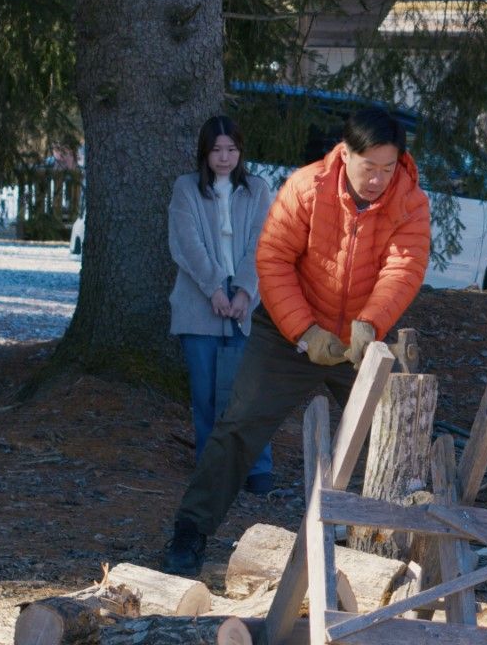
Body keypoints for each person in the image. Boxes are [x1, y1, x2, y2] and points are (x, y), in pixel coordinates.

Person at [159, 107, 432, 576]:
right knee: (238, 427)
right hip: (289, 332)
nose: (378, 180)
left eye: (389, 168)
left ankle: (388, 548)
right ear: (346, 155)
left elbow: (403, 268)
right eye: (370, 168)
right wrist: (304, 331)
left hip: (361, 341)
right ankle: (191, 531)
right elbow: (274, 259)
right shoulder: (306, 187)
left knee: (395, 430)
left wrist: (370, 323)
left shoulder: (410, 201)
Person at [167, 114, 275, 493]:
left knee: (249, 391)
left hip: (247, 298)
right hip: (200, 300)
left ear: (240, 151)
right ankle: (211, 470)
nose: (224, 157)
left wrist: (245, 290)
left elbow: (264, 242)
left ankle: (256, 468)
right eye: (217, 150)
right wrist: (215, 288)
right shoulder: (186, 189)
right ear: (205, 152)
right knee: (206, 393)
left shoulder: (258, 190)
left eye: (231, 149)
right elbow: (186, 242)